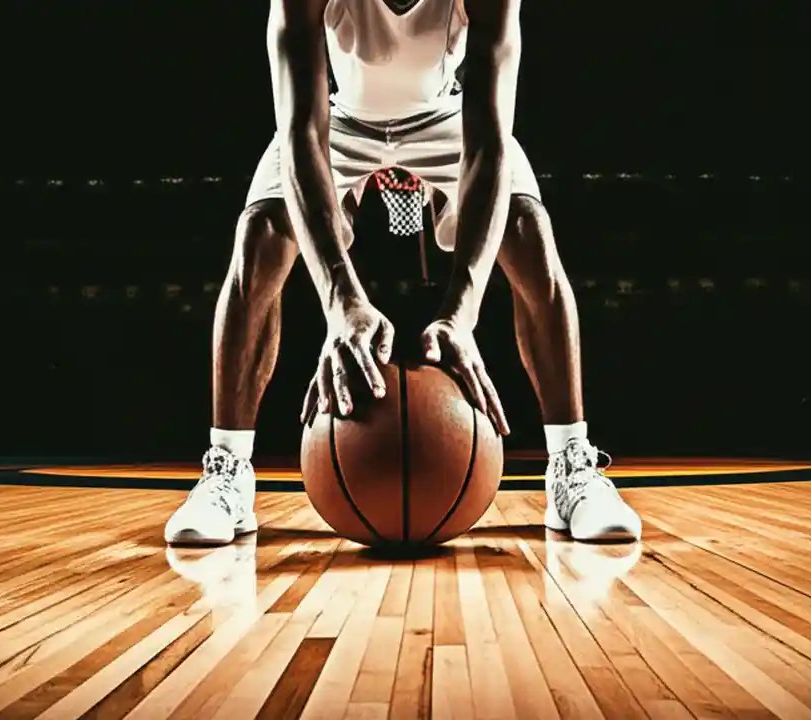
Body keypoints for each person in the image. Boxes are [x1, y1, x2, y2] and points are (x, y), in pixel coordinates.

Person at [165, 0, 640, 545]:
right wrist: (341, 303)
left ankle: (572, 464)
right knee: (262, 234)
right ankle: (227, 469)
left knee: (528, 227)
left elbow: (488, 143)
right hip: (337, 122)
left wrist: (461, 314)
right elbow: (302, 136)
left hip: (448, 119)